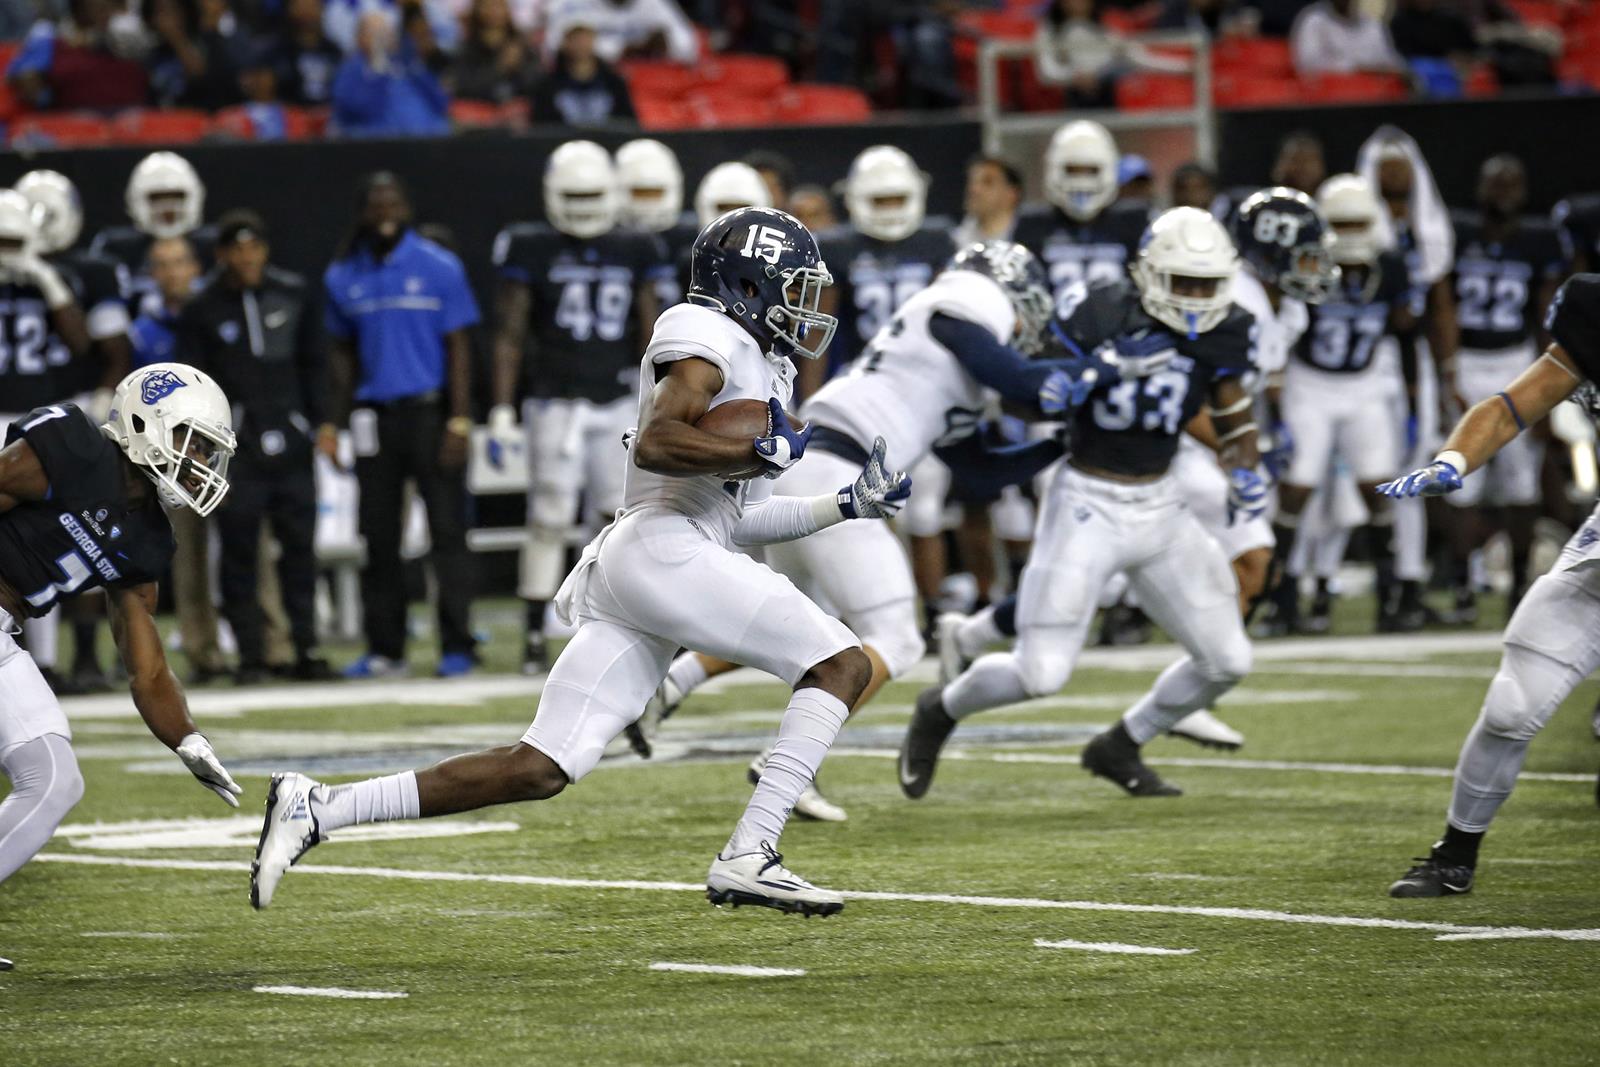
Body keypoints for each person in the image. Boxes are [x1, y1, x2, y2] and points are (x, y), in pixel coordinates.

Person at [252, 206, 910, 917]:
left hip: (661, 555)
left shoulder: (761, 364)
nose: (803, 303)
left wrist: (842, 503)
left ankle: (317, 805)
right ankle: (751, 850)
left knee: (540, 765)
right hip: (662, 548)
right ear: (750, 283)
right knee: (841, 663)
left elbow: (738, 517)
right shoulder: (705, 331)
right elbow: (657, 442)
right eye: (793, 284)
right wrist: (747, 449)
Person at [638, 241, 1072, 819]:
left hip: (813, 463)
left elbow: (978, 466)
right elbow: (1009, 371)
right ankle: (784, 762)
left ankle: (673, 685)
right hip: (841, 467)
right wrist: (1087, 376)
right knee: (898, 638)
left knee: (802, 619)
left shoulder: (946, 362)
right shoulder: (968, 300)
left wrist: (1058, 444)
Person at [900, 208, 1264, 801]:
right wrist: (1095, 373)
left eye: (1208, 285)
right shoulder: (1095, 309)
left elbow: (1233, 414)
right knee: (1040, 673)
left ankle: (1122, 742)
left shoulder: (1230, 325)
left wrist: (1246, 465)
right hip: (1087, 501)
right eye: (1184, 284)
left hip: (1163, 503)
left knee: (1227, 661)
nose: (1197, 299)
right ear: (1148, 274)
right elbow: (1025, 398)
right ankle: (941, 707)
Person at [0, 361, 243, 971]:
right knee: (49, 777)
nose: (201, 462)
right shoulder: (74, 448)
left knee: (54, 781)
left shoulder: (147, 539)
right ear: (147, 423)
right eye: (192, 441)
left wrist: (187, 740)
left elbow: (148, 669)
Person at [1382, 272, 1600, 897]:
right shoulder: (1593, 311)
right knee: (1512, 707)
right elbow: (1510, 407)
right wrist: (1452, 461)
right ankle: (1454, 855)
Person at [484, 141, 670, 676]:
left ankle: (614, 621)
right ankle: (534, 636)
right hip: (556, 400)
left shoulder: (635, 246)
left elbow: (649, 329)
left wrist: (655, 397)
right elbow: (511, 331)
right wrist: (502, 406)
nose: (584, 205)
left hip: (614, 400)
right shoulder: (530, 245)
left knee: (617, 515)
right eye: (575, 194)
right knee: (547, 516)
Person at [324, 172, 480, 679]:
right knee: (379, 537)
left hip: (431, 413)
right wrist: (337, 419)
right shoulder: (344, 274)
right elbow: (342, 355)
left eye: (392, 200)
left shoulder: (439, 266)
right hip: (376, 419)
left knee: (447, 533)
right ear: (362, 211)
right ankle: (386, 649)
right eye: (375, 203)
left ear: (406, 206)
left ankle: (458, 644)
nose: (384, 210)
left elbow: (459, 348)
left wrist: (460, 420)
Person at [175, 211, 333, 685]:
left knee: (300, 551)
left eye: (253, 247)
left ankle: (305, 647)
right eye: (236, 249)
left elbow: (316, 363)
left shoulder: (293, 293)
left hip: (291, 439)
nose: (246, 258)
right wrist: (202, 444)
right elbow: (194, 381)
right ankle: (250, 654)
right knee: (240, 553)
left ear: (265, 249)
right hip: (235, 448)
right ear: (222, 254)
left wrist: (321, 422)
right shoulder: (203, 308)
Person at [1262, 175, 1417, 634]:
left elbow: (1406, 330)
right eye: (1340, 224)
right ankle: (1282, 598)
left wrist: (1410, 397)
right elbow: (1282, 328)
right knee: (1296, 488)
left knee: (1379, 488)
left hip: (1364, 384)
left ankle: (1391, 598)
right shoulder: (1303, 266)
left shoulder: (1390, 267)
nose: (1349, 235)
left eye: (1358, 223)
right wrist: (1275, 399)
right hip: (1311, 383)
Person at [1443, 154, 1565, 618]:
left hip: (1516, 361)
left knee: (1520, 482)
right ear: (1480, 189)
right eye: (1495, 183)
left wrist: (1548, 388)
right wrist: (1448, 371)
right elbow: (1443, 306)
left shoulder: (1537, 241)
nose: (1503, 192)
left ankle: (1518, 585)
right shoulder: (1460, 234)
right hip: (1470, 361)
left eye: (1511, 183)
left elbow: (1545, 314)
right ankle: (1461, 586)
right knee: (1459, 479)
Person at [90, 152, 217, 316]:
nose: (168, 208)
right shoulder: (115, 249)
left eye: (176, 196)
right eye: (156, 198)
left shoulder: (216, 246)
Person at [5, 0, 150, 112]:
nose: (101, 13)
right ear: (79, 9)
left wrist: (98, 40)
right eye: (93, 7)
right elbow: (22, 77)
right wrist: (33, 81)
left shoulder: (139, 37)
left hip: (135, 122)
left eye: (107, 6)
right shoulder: (53, 39)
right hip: (73, 124)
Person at [331, 9, 451, 137]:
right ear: (360, 38)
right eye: (376, 33)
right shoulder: (352, 69)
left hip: (427, 137)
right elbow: (357, 111)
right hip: (378, 142)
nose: (382, 38)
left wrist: (415, 69)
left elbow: (441, 103)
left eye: (386, 32)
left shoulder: (406, 65)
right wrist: (378, 70)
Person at [613, 138, 695, 306]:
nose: (648, 203)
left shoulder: (694, 239)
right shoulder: (610, 242)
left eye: (655, 193)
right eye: (640, 193)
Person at [528, 12, 635, 126]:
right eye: (575, 38)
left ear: (594, 39)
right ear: (564, 42)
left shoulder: (614, 83)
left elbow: (628, 123)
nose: (581, 43)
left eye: (585, 37)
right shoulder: (547, 86)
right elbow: (540, 128)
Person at [144, 0, 246, 110]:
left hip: (205, 115)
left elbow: (200, 77)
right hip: (165, 119)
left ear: (185, 11)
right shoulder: (154, 55)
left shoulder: (208, 42)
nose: (168, 17)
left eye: (173, 10)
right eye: (160, 11)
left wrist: (176, 38)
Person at [446, 0, 534, 104]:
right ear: (477, 9)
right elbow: (463, 87)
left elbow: (537, 82)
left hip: (519, 113)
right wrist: (500, 67)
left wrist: (519, 67)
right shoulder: (466, 48)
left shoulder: (521, 44)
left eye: (499, 5)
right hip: (479, 114)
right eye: (488, 5)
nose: (494, 10)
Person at [1290, 0, 1404, 78]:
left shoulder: (1373, 25)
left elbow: (1392, 62)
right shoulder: (1313, 21)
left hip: (1374, 98)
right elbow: (1308, 66)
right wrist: (1359, 69)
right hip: (1330, 101)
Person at [267, 0, 344, 106]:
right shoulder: (276, 51)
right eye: (300, 6)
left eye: (312, 6)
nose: (307, 12)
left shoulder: (334, 52)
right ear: (290, 9)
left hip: (329, 115)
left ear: (322, 9)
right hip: (289, 115)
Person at [952, 156, 1022, 248]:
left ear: (1012, 193)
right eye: (972, 182)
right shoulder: (954, 241)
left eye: (987, 182)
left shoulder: (1033, 240)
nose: (974, 189)